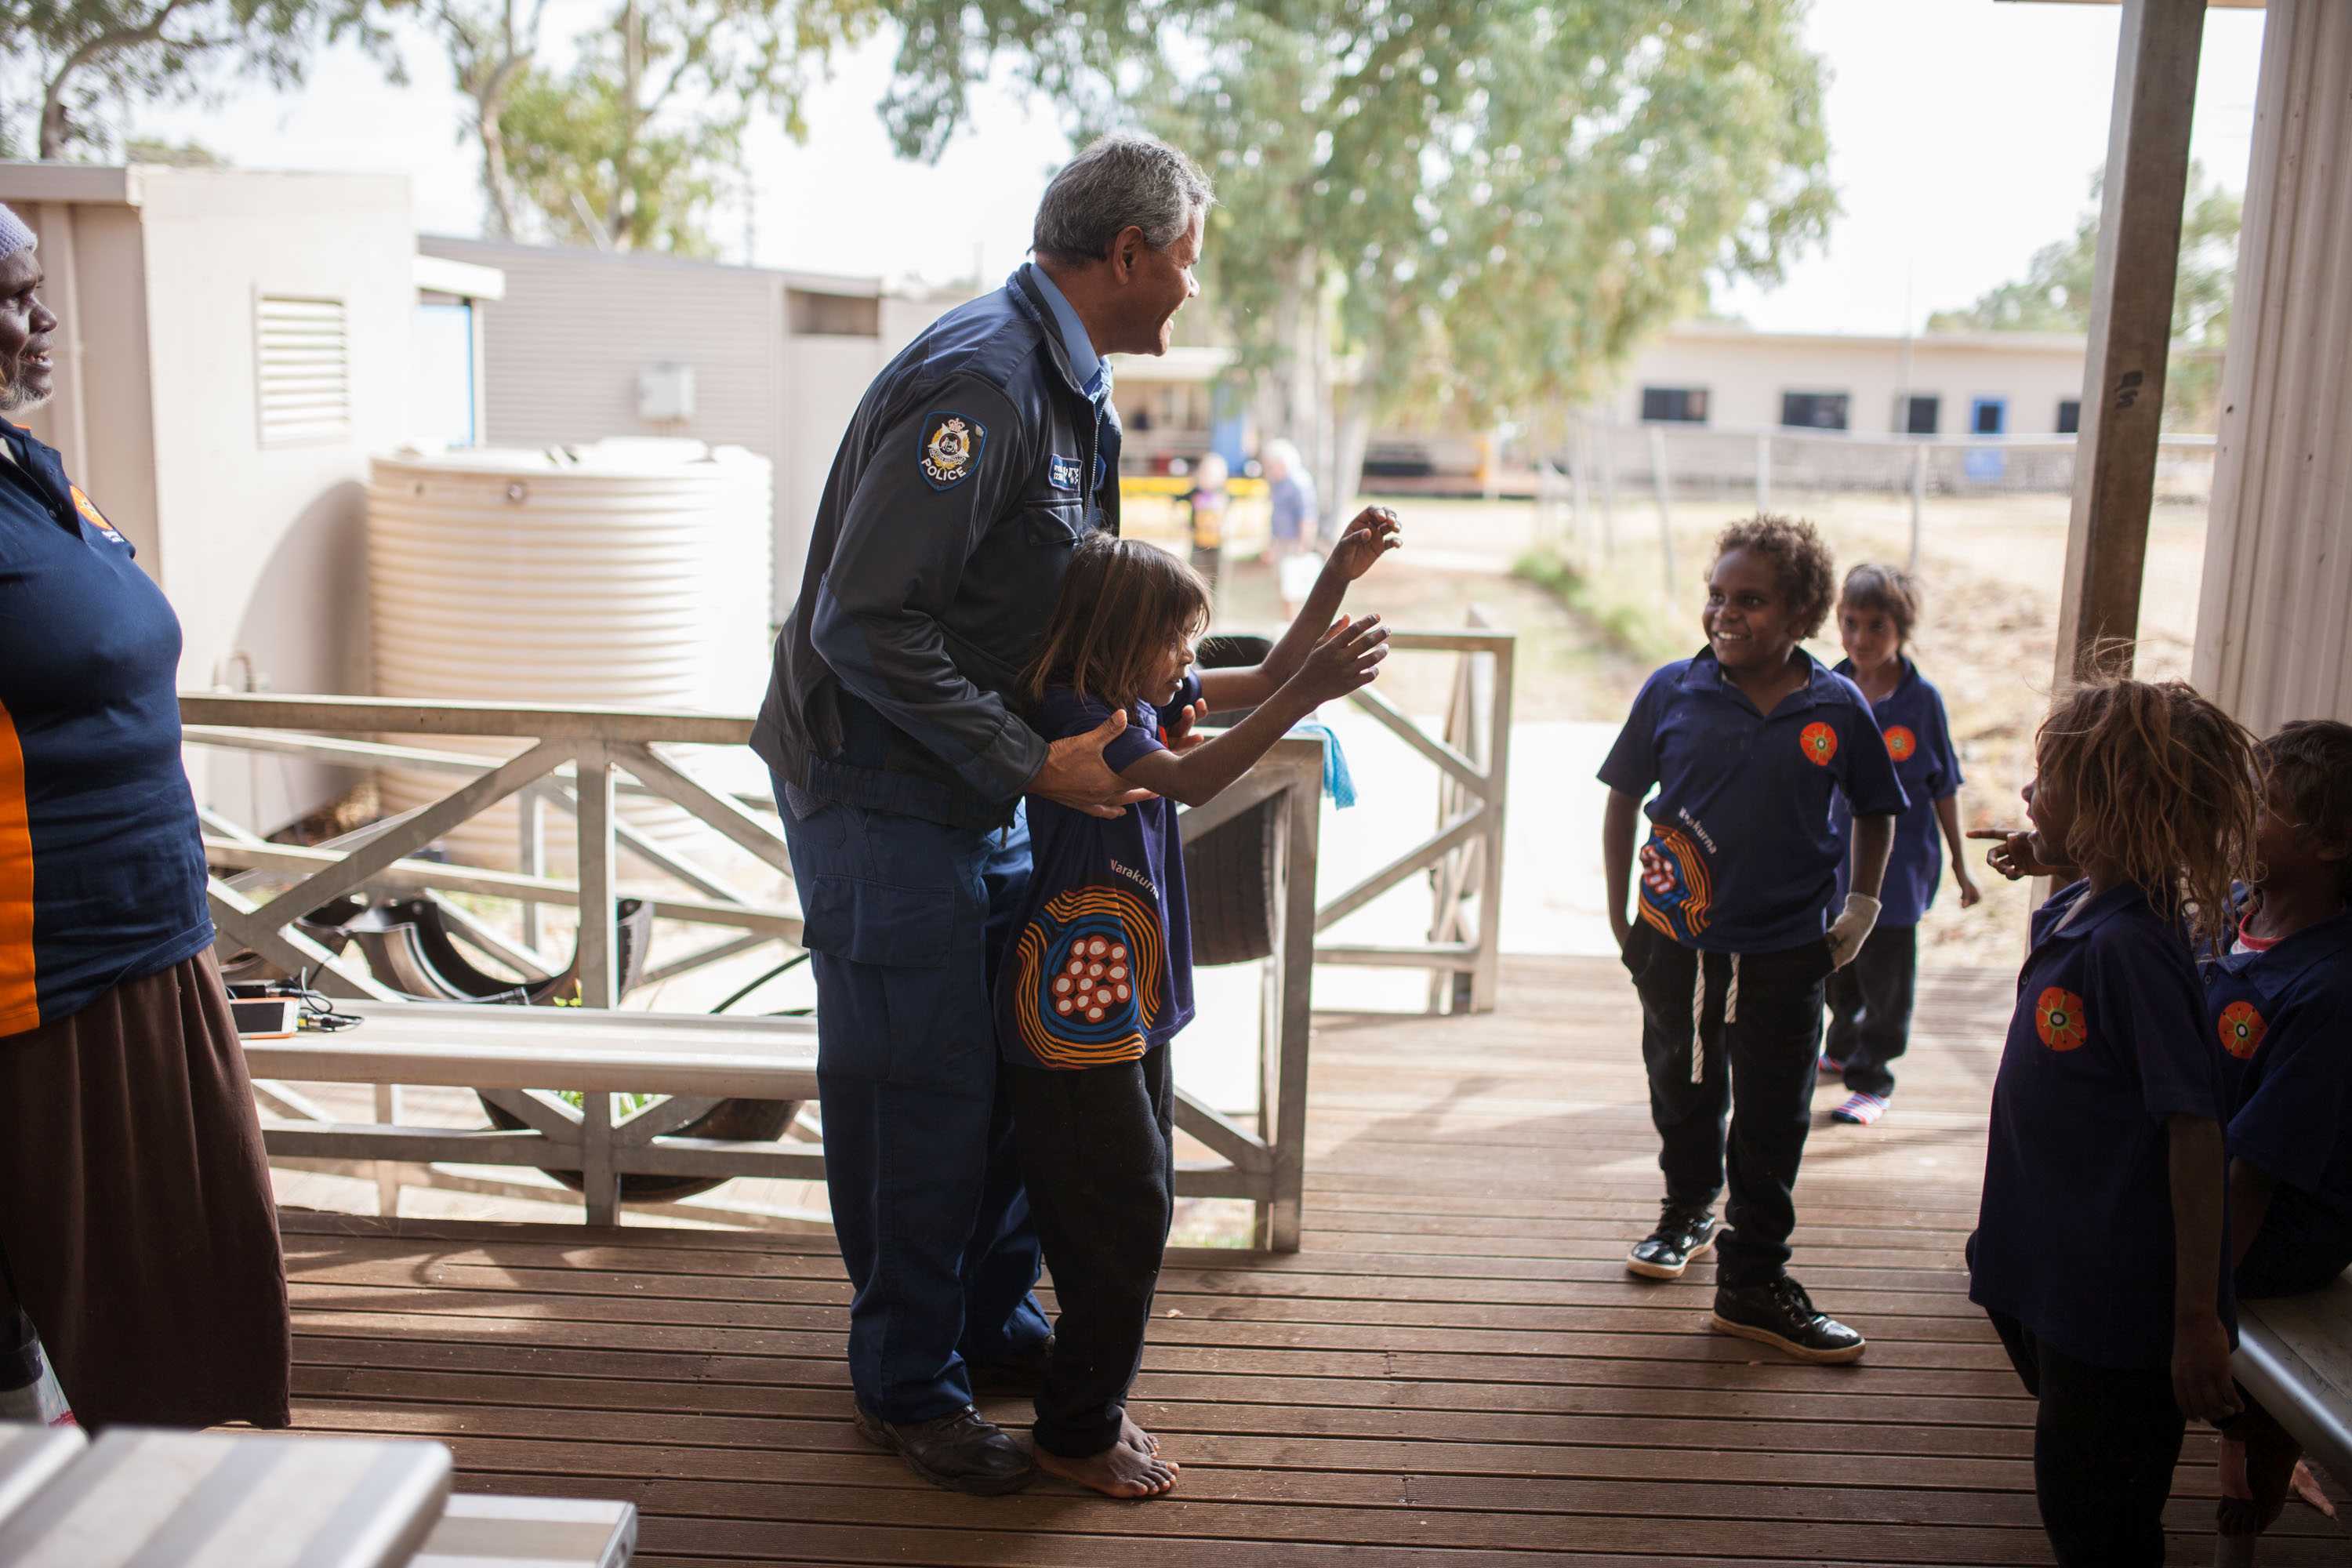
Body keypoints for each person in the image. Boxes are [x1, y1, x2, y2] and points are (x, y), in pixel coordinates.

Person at [749, 132, 1215, 1495]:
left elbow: (1055, 610)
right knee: (922, 1095)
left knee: (1011, 1076)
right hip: (887, 791)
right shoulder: (986, 380)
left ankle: (983, 1316)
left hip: (983, 777)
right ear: (1127, 254)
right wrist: (1029, 759)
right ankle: (909, 1383)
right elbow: (859, 622)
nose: (1193, 286)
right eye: (1187, 258)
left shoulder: (1072, 385)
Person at [1000, 514, 1399, 1497]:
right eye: (1176, 638)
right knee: (1126, 1211)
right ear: (1117, 638)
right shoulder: (1077, 718)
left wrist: (1334, 581)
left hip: (1122, 999)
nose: (1188, 658)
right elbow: (1193, 775)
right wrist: (1308, 694)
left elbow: (1262, 678)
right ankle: (1075, 1425)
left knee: (1133, 1204)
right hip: (1071, 1012)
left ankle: (1086, 1399)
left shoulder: (1131, 694)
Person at [0, 201, 291, 1431]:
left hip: (158, 953)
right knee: (93, 1352)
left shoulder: (40, 480)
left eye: (38, 284)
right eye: (13, 296)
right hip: (42, 984)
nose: (46, 314)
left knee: (191, 1300)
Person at [1599, 515, 1906, 1363]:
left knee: (1775, 1110)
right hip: (1677, 941)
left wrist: (1862, 908)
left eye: (1753, 600)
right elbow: (1624, 794)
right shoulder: (1673, 690)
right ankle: (1687, 1207)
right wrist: (1620, 915)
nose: (1726, 613)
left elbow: (1878, 808)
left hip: (1788, 950)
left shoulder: (1835, 706)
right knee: (1685, 1083)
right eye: (1718, 596)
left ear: (1804, 610)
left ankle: (1755, 1278)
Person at [1964, 675, 2255, 1566]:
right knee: (2078, 1473)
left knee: (2099, 1518)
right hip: (2050, 1270)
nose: (2026, 792)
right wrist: (2059, 852)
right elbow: (2106, 871)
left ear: (2109, 807)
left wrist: (2198, 1315)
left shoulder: (2133, 950)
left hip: (2115, 1302)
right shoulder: (2084, 908)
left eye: (2049, 780)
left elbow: (2195, 1130)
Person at [1819, 564, 1980, 1127]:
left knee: (1887, 977)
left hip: (1897, 873)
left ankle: (1873, 1078)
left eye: (1876, 626)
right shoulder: (1826, 688)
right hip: (1831, 866)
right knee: (1835, 967)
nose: (1861, 639)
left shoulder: (1921, 701)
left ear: (1902, 629)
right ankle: (1841, 1047)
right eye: (1851, 623)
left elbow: (1945, 786)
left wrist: (1962, 866)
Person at [1184, 452, 1229, 596]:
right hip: (1198, 542)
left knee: (1217, 577)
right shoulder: (1195, 493)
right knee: (1196, 575)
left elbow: (1229, 516)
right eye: (1205, 473)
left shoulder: (1223, 494)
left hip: (1218, 543)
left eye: (1213, 474)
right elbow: (1178, 501)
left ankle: (1214, 609)